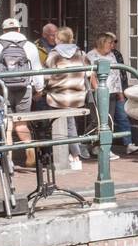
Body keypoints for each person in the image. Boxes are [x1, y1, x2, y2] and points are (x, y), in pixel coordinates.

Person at [38, 26, 96, 172]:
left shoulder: (54, 54)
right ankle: (72, 156)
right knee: (70, 124)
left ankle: (70, 157)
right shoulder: (81, 53)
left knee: (59, 125)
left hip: (58, 96)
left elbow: (46, 75)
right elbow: (89, 73)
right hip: (76, 96)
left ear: (58, 38)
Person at [0, 18, 44, 168]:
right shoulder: (30, 46)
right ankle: (30, 149)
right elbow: (36, 69)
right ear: (19, 29)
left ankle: (8, 160)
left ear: (3, 31)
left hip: (3, 89)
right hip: (24, 88)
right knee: (21, 123)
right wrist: (39, 89)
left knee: (6, 123)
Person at [89, 32, 138, 158]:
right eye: (109, 43)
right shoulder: (91, 56)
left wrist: (120, 92)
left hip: (112, 92)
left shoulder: (112, 55)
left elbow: (117, 75)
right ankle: (91, 145)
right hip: (100, 93)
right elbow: (91, 76)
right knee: (99, 120)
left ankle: (105, 147)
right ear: (102, 43)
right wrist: (98, 92)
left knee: (109, 120)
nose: (112, 45)